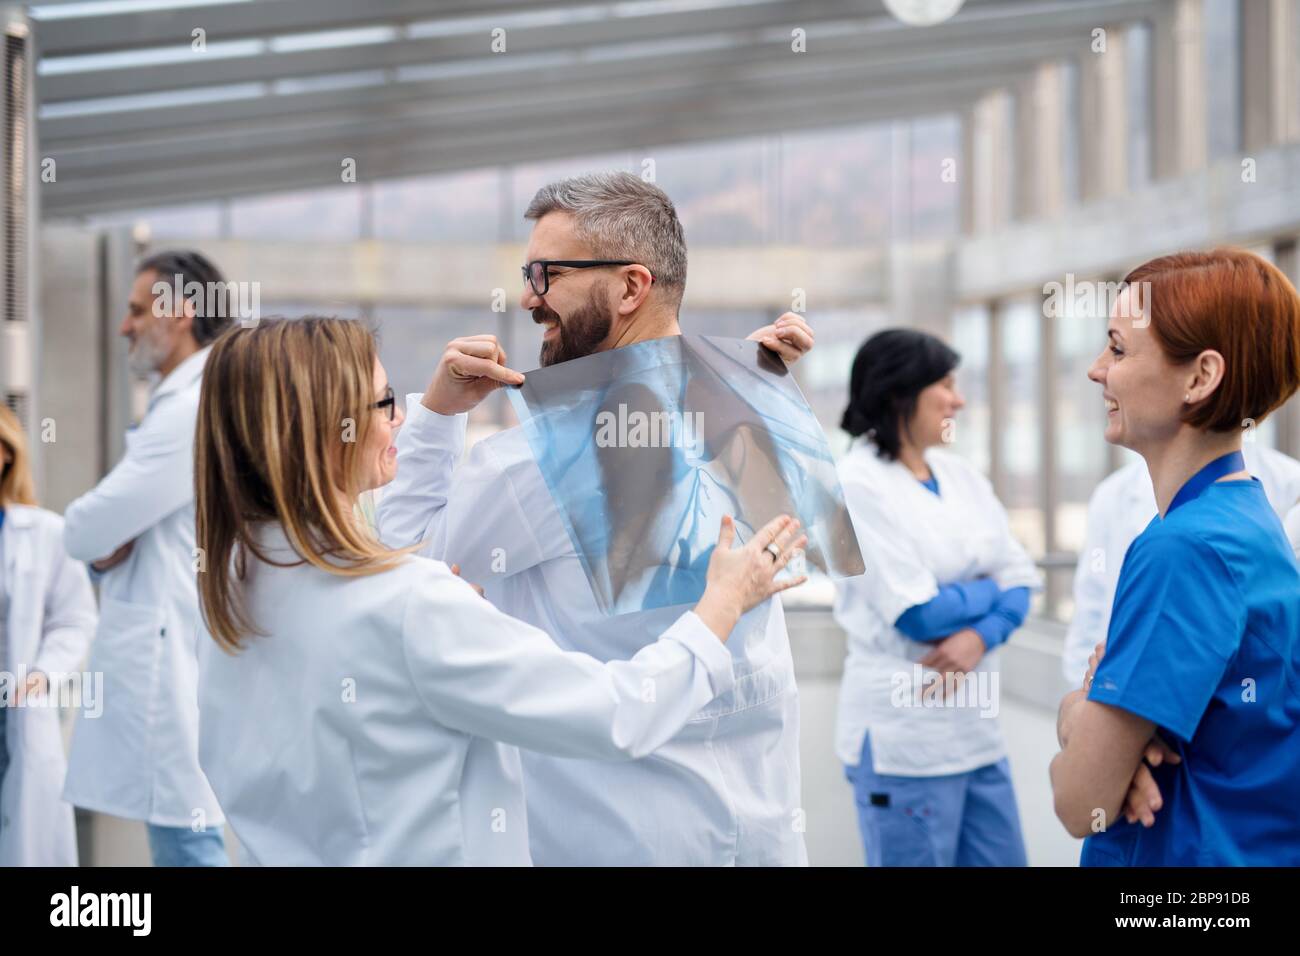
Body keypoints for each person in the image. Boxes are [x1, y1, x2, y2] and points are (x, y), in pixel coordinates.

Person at [193, 317, 806, 866]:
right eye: (384, 403)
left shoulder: (231, 591)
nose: (399, 418)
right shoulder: (410, 604)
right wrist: (721, 605)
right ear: (326, 432)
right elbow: (617, 714)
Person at [376, 171, 817, 865]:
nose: (529, 297)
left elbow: (397, 573)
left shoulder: (531, 465)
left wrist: (435, 418)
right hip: (764, 830)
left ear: (631, 287)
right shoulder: (754, 414)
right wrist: (736, 372)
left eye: (547, 274)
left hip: (622, 839)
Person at [1052, 249, 1300, 865]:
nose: (1096, 370)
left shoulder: (1184, 549)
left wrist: (1086, 707)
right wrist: (1093, 725)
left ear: (1200, 377)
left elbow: (1079, 802)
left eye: (1117, 349)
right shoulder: (1245, 517)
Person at [832, 328, 1041, 867]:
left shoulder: (959, 475)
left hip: (977, 737)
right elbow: (920, 615)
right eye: (945, 385)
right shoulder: (857, 484)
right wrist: (991, 589)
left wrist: (980, 636)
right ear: (901, 393)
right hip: (905, 742)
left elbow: (1024, 579)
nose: (959, 400)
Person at [62, 250, 232, 866]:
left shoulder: (190, 408)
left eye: (136, 311)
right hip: (183, 639)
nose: (124, 326)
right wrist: (103, 552)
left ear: (181, 313)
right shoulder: (196, 397)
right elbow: (105, 537)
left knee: (186, 839)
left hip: (175, 650)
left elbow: (84, 529)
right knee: (185, 833)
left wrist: (96, 547)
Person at [1064, 444, 1300, 685]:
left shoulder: (1288, 483)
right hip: (1124, 676)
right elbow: (1091, 604)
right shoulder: (1115, 493)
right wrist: (1088, 688)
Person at [0, 407, 98, 866]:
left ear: (6, 454)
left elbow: (75, 619)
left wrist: (42, 674)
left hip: (15, 707)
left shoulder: (45, 532)